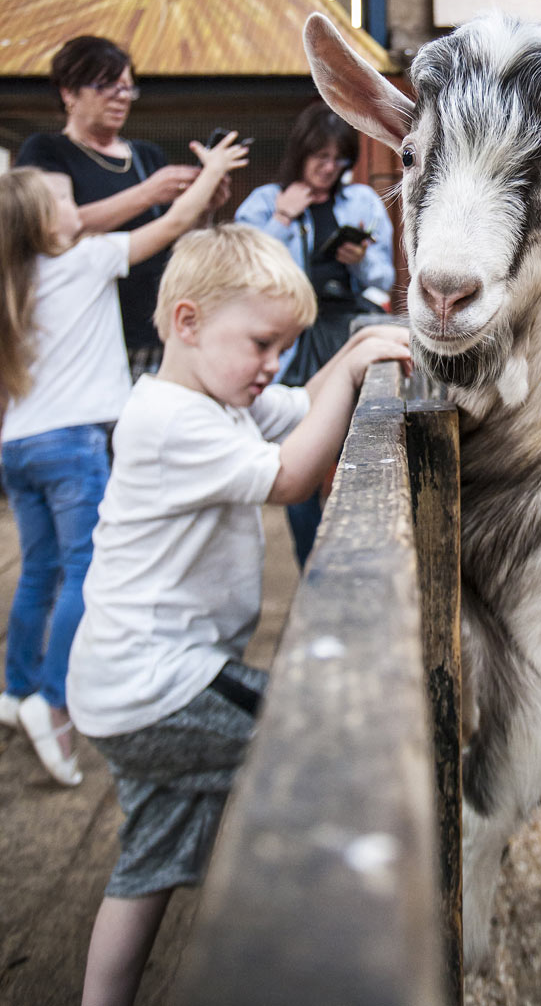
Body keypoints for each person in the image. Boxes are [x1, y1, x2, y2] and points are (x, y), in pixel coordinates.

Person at [66, 223, 410, 1006]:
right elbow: (292, 475)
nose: (273, 366)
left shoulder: (217, 398)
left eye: (283, 347)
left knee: (148, 864)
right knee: (321, 756)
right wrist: (354, 364)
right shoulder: (169, 421)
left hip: (130, 686)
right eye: (260, 343)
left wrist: (348, 365)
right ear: (187, 323)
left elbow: (303, 404)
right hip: (161, 687)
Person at [0, 136, 248, 788]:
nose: (75, 202)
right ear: (44, 223)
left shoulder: (14, 280)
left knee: (38, 572)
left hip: (17, 446)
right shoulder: (84, 260)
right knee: (84, 571)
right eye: (60, 199)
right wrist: (215, 170)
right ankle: (52, 703)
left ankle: (14, 685)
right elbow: (169, 226)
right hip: (72, 443)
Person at [235, 102, 396, 565]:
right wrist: (282, 221)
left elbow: (382, 277)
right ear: (300, 154)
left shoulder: (362, 201)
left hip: (345, 325)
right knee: (296, 442)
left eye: (338, 159)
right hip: (292, 337)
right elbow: (246, 273)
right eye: (319, 158)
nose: (329, 168)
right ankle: (310, 562)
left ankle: (359, 549)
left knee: (360, 438)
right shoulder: (267, 201)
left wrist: (359, 260)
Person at [16, 35, 231, 376]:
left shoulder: (146, 156)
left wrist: (205, 207)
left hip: (153, 327)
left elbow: (173, 234)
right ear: (69, 93)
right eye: (107, 86)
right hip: (83, 329)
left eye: (127, 88)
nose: (121, 98)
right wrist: (147, 192)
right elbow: (56, 228)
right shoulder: (46, 150)